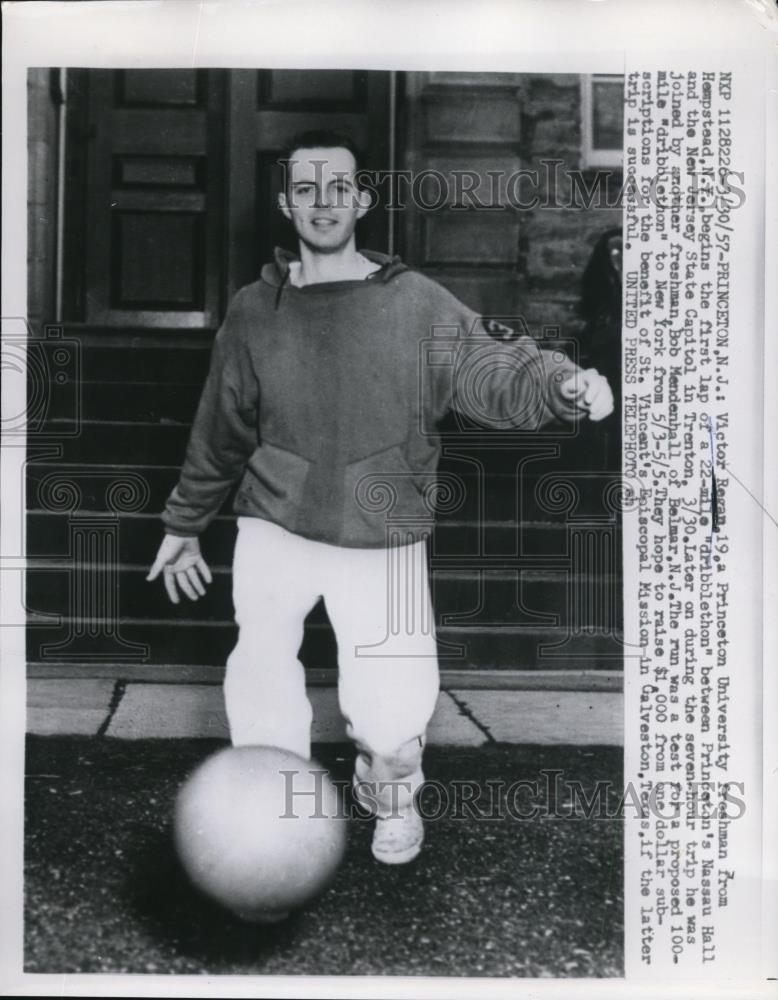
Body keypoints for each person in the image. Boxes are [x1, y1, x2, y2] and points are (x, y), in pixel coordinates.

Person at [147, 130, 614, 865]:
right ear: (285, 203)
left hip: (384, 525)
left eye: (339, 188)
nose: (323, 202)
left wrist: (560, 385)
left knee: (394, 721)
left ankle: (388, 789)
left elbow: (488, 368)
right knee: (262, 674)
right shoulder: (252, 310)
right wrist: (184, 522)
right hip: (277, 519)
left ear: (363, 200)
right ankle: (271, 816)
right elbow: (221, 425)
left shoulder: (413, 302)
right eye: (306, 189)